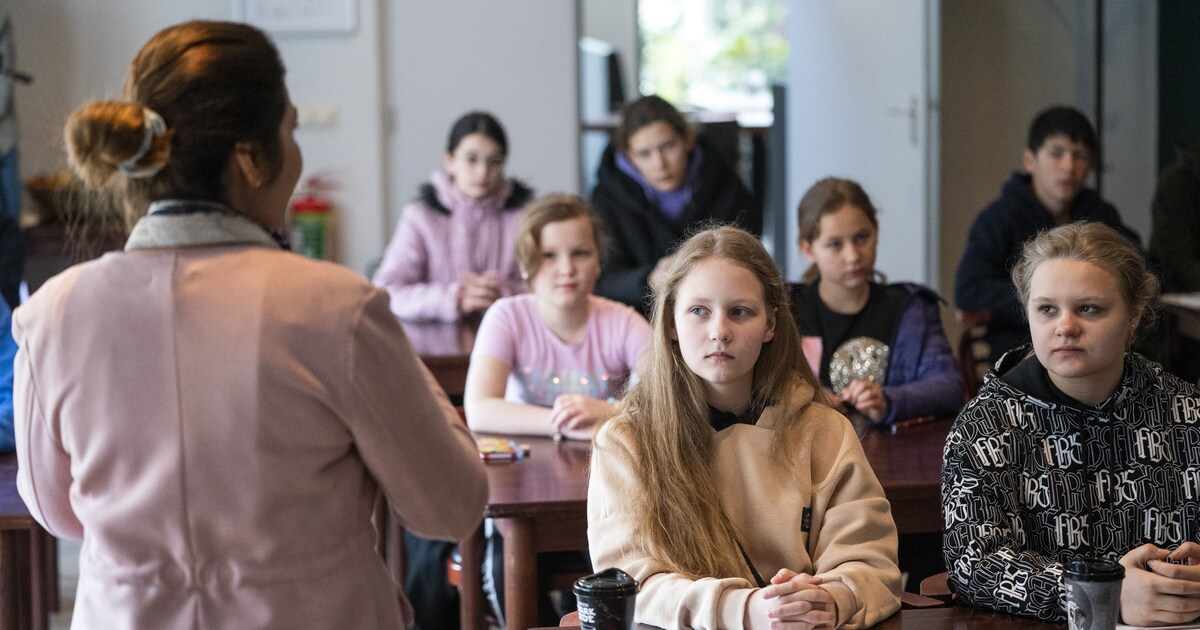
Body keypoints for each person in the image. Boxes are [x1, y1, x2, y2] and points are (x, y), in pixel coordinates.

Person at [13, 21, 487, 629]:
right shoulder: (335, 307)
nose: (296, 151)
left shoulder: (51, 313)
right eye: (290, 130)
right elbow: (449, 507)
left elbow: (57, 512)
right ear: (250, 159)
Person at [588, 226, 902, 629]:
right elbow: (632, 581)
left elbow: (870, 560)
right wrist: (746, 609)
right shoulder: (625, 441)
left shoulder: (825, 431)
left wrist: (832, 597)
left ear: (770, 324)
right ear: (670, 324)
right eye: (699, 311)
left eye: (740, 311)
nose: (720, 330)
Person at [942, 222, 1200, 625]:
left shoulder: (1187, 413)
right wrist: (1100, 594)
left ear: (1134, 315)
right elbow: (974, 564)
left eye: (1089, 309)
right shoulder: (984, 426)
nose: (1065, 326)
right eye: (1047, 309)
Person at [954, 105, 1141, 364]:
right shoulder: (999, 218)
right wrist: (1046, 300)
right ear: (1030, 160)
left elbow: (1138, 271)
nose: (1068, 167)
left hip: (1095, 343)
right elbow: (970, 290)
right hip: (1021, 344)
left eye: (1080, 156)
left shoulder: (1100, 213)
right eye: (1056, 153)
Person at [465, 193, 650, 440]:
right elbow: (479, 410)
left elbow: (667, 403)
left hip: (604, 463)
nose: (567, 269)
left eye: (580, 253)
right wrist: (567, 425)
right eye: (549, 255)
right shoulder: (506, 317)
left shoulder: (625, 323)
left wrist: (608, 411)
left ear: (598, 262)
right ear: (525, 264)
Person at [790, 177, 963, 427]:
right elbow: (757, 387)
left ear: (876, 231)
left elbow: (949, 385)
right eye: (835, 245)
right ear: (808, 249)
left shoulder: (910, 309)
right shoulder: (787, 310)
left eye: (861, 238)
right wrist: (806, 399)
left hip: (891, 456)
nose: (853, 256)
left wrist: (888, 401)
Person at [591, 95, 760, 315]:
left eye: (668, 146)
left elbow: (750, 263)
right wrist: (647, 279)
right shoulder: (605, 199)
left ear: (688, 140)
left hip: (715, 317)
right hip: (637, 322)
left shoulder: (729, 189)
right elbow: (600, 280)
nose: (659, 163)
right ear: (629, 157)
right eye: (644, 154)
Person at [374, 111, 533, 322]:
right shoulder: (420, 216)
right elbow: (385, 292)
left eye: (494, 161)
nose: (482, 171)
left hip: (512, 341)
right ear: (449, 161)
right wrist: (455, 297)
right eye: (471, 159)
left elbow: (548, 289)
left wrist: (500, 294)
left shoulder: (525, 216)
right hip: (434, 348)